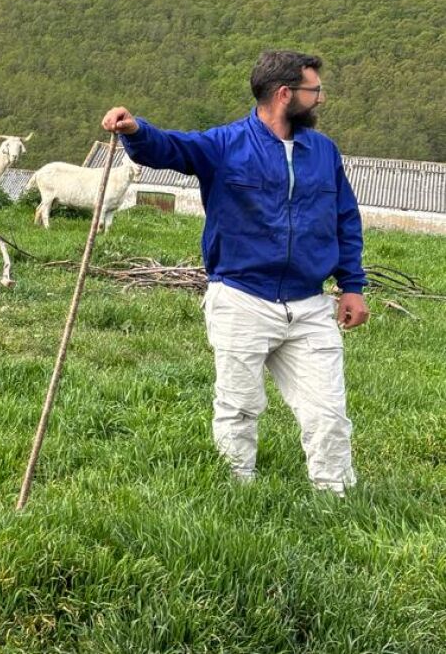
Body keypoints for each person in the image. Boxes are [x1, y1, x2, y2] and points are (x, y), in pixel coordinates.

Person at [101, 50, 366, 495]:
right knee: (240, 405)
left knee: (329, 410)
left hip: (309, 303)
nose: (320, 98)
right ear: (285, 94)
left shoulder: (323, 152)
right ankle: (236, 490)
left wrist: (352, 286)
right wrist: (136, 131)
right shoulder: (224, 145)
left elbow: (344, 217)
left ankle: (335, 495)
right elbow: (171, 147)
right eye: (314, 90)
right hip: (242, 298)